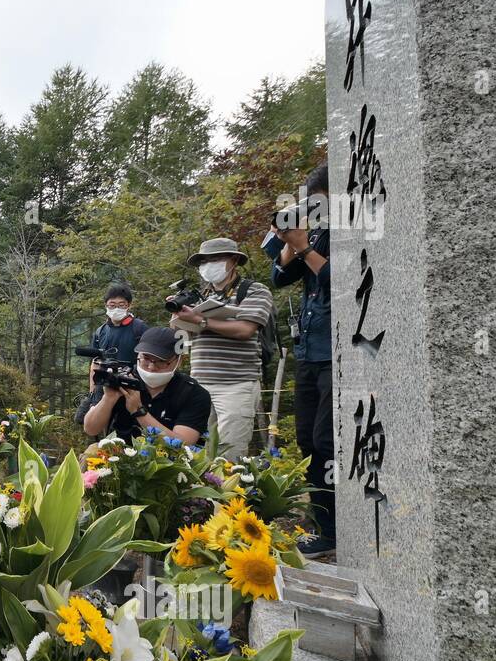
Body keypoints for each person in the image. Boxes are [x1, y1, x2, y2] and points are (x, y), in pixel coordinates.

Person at [270, 161, 335, 559]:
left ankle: (337, 527)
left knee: (329, 440)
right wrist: (291, 242)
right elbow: (279, 279)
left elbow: (338, 279)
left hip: (337, 353)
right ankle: (322, 522)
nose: (314, 211)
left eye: (320, 203)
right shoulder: (315, 233)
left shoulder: (347, 232)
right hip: (309, 353)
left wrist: (306, 246)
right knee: (308, 439)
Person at [169, 238, 273, 459]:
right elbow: (183, 337)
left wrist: (201, 321)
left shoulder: (254, 291)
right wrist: (179, 319)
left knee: (230, 453)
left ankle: (233, 494)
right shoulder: (200, 297)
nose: (208, 266)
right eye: (204, 262)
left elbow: (246, 329)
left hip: (236, 384)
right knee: (196, 454)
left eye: (215, 259)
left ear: (233, 260)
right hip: (199, 383)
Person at [78, 326, 212, 444]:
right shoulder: (118, 379)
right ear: (138, 355)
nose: (151, 367)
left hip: (171, 464)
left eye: (161, 361)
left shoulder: (193, 393)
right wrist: (108, 399)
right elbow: (91, 429)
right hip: (119, 457)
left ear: (179, 361)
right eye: (146, 358)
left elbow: (182, 444)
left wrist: (138, 411)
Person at [91, 281, 148, 363]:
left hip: (131, 375)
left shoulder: (140, 328)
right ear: (106, 305)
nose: (116, 309)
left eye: (121, 305)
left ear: (129, 305)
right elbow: (95, 361)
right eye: (112, 305)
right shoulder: (100, 331)